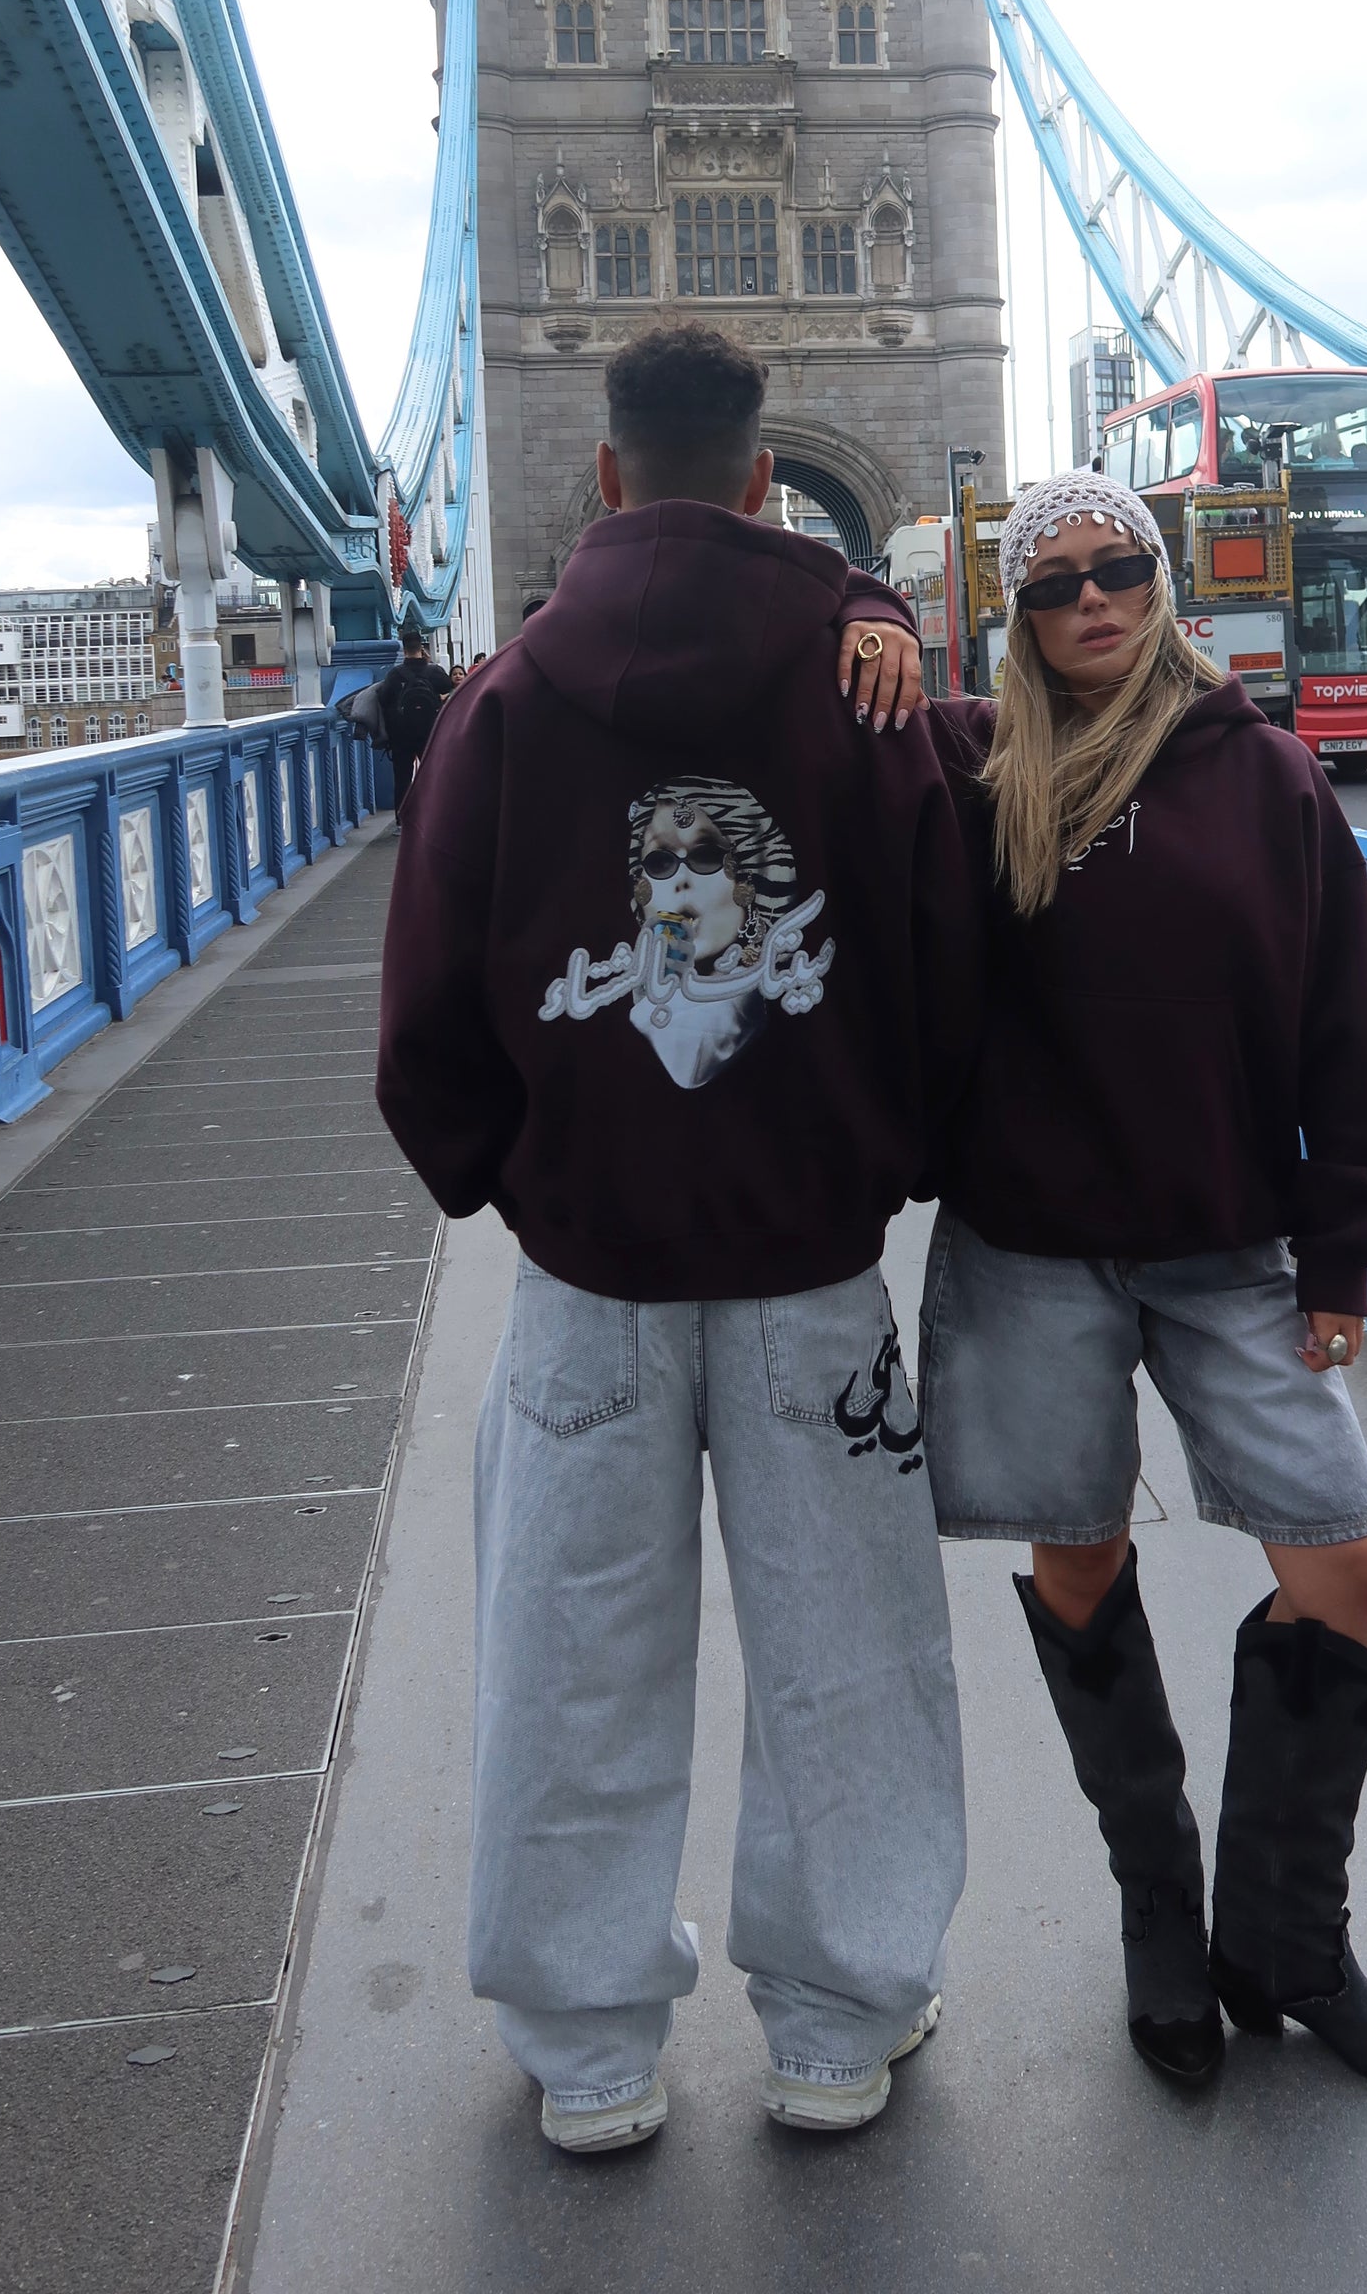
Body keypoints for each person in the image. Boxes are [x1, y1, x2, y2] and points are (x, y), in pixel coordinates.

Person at [376, 325, 972, 2158]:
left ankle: (589, 2054)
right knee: (851, 1658)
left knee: (569, 1661)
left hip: (588, 1279)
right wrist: (881, 1156)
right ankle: (837, 2023)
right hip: (811, 1274)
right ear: (764, 478)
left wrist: (526, 1179)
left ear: (607, 474)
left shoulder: (498, 700)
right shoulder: (866, 689)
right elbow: (943, 963)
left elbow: (423, 1008)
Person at [911, 468, 1367, 2099]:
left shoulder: (1265, 776)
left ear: (1160, 581)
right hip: (1032, 1244)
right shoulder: (975, 767)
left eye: (1118, 568)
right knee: (1081, 1559)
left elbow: (1341, 1024)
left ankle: (1287, 1944)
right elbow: (796, 716)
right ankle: (1163, 1918)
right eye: (1051, 584)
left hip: (1230, 1246)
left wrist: (1342, 1244)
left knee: (1347, 1563)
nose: (1089, 600)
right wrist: (860, 614)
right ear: (1016, 614)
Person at [378, 629, 450, 820]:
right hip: (430, 732)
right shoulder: (434, 671)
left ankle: (402, 821)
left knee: (402, 778)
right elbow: (448, 687)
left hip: (401, 735)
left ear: (404, 650)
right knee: (432, 775)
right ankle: (435, 817)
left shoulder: (395, 674)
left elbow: (383, 699)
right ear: (421, 648)